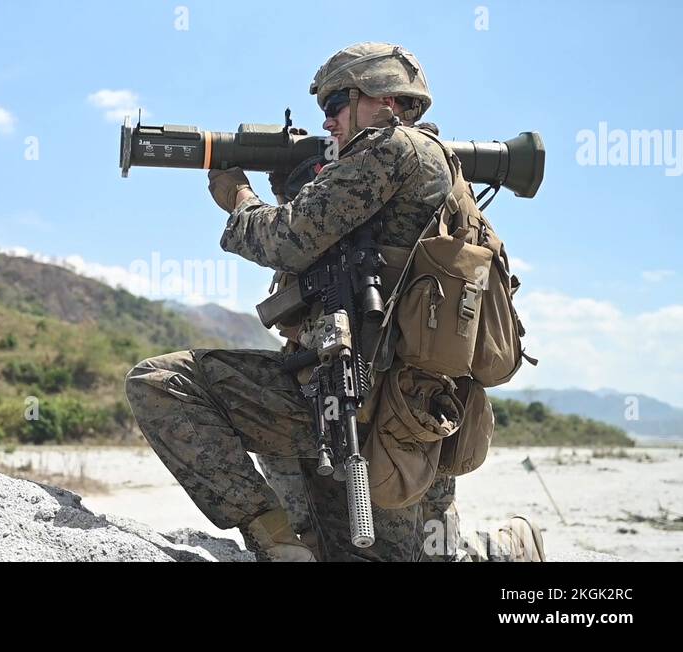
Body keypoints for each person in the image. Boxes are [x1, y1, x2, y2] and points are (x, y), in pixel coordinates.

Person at [125, 42, 544, 562]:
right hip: (404, 409)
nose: (328, 124)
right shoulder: (433, 171)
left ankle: (277, 536)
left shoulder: (397, 149)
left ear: (383, 100)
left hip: (377, 411)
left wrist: (237, 196)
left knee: (164, 384)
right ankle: (291, 540)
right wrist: (297, 189)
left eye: (335, 105)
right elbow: (333, 259)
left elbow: (285, 241)